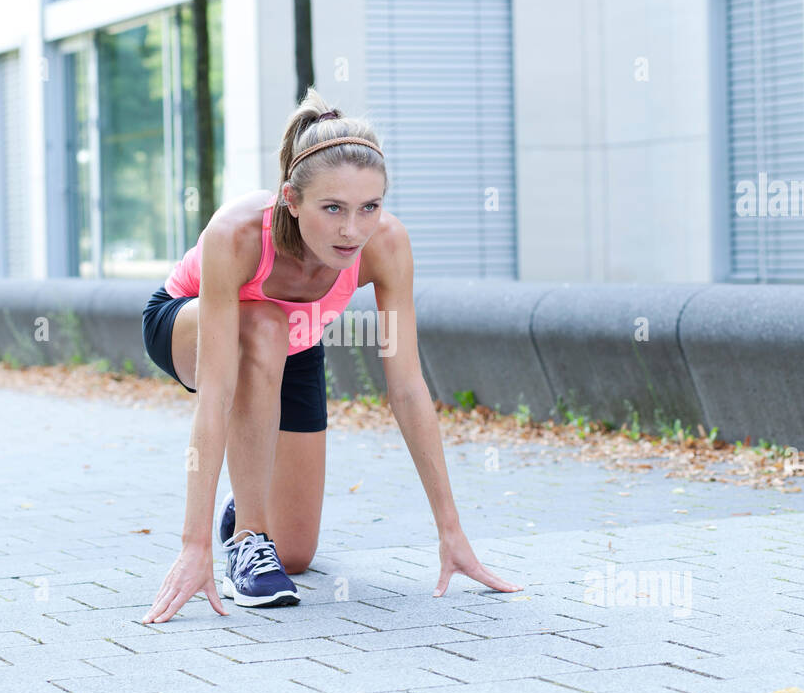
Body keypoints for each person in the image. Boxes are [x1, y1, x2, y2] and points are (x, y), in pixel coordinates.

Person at [139, 87, 523, 624]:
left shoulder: (385, 245)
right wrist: (193, 543)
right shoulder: (238, 234)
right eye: (333, 209)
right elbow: (217, 395)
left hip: (292, 342)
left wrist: (452, 532)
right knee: (267, 326)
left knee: (295, 552)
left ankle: (250, 511)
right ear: (292, 201)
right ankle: (247, 538)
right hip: (191, 324)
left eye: (370, 207)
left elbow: (407, 386)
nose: (352, 230)